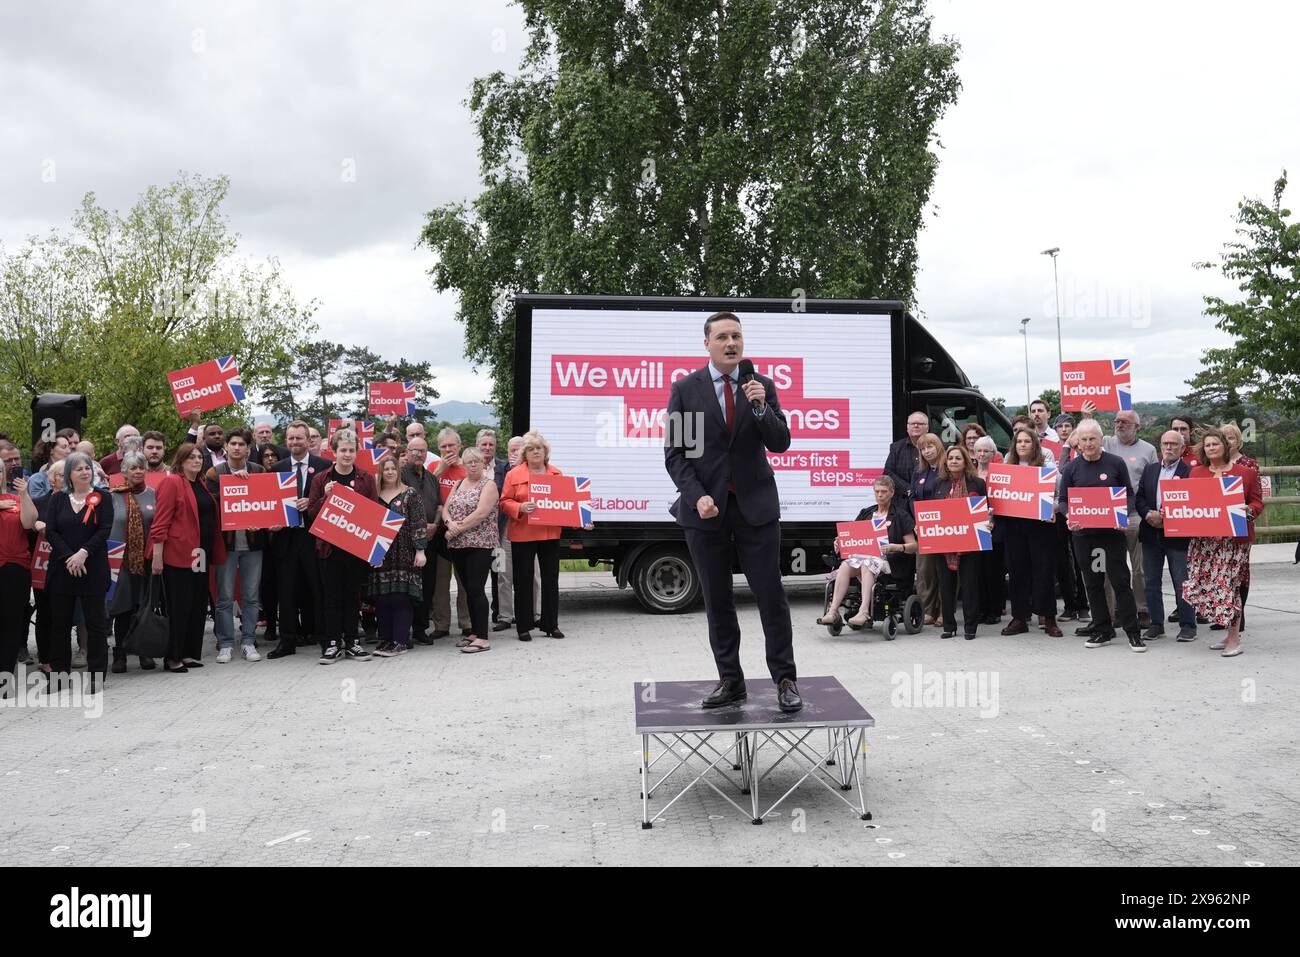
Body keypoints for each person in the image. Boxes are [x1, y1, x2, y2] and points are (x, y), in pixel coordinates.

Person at [663, 312, 800, 712]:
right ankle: (731, 680)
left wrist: (759, 408)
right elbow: (676, 454)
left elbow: (780, 443)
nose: (731, 343)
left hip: (756, 508)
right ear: (706, 343)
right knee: (717, 599)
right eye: (722, 336)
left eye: (737, 336)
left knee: (771, 596)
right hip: (706, 513)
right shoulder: (687, 390)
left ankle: (786, 679)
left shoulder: (762, 387)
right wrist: (696, 495)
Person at [1060, 420, 1144, 652]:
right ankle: (1102, 630)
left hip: (1111, 535)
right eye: (1083, 439)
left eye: (1092, 439)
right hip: (1084, 536)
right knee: (1093, 584)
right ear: (1078, 442)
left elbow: (1128, 494)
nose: (1088, 444)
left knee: (1120, 582)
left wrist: (1122, 513)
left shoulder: (1115, 463)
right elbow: (1063, 500)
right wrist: (1068, 515)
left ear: (1100, 439)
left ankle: (1133, 632)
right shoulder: (1072, 468)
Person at [1183, 428, 1264, 657]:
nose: (1211, 448)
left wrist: (1247, 511)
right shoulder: (1196, 473)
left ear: (1225, 446)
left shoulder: (1245, 473)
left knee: (1231, 586)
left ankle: (1234, 638)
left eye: (1215, 444)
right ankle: (1228, 634)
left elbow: (1258, 503)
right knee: (1211, 588)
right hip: (1205, 542)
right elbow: (1190, 504)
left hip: (1234, 542)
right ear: (1204, 450)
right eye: (1207, 445)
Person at [150, 443, 225, 673]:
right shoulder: (172, 482)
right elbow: (160, 522)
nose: (197, 461)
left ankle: (189, 653)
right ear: (180, 460)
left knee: (197, 604)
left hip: (199, 553)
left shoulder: (200, 483)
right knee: (179, 606)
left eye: (199, 457)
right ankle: (173, 657)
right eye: (191, 457)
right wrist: (157, 557)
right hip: (177, 555)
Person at [44, 453, 114, 691]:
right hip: (62, 568)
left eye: (87, 468)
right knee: (60, 623)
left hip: (92, 567)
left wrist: (83, 553)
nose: (85, 472)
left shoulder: (102, 497)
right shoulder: (57, 500)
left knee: (95, 624)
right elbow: (51, 531)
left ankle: (96, 676)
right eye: (79, 469)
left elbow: (104, 530)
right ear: (69, 476)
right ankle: (59, 676)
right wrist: (69, 557)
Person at [306, 429, 377, 664]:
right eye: (343, 450)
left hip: (356, 548)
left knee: (353, 597)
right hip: (329, 549)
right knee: (332, 598)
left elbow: (374, 513)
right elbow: (311, 514)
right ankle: (332, 643)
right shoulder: (321, 479)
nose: (347, 454)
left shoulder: (366, 478)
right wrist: (325, 497)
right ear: (333, 452)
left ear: (357, 452)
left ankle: (353, 642)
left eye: (351, 450)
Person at [501, 432, 575, 643]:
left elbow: (568, 504)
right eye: (531, 448)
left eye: (539, 448)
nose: (535, 451)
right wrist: (520, 507)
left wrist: (581, 518)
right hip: (523, 534)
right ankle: (524, 627)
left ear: (545, 452)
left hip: (550, 533)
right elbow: (504, 502)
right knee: (523, 581)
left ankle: (551, 624)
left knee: (551, 580)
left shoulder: (557, 474)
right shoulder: (513, 475)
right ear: (525, 453)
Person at [818, 475, 916, 628]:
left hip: (889, 560)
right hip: (864, 557)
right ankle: (833, 611)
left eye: (883, 491)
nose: (880, 495)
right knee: (845, 565)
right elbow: (852, 536)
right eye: (877, 491)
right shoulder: (866, 513)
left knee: (866, 564)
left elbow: (913, 546)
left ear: (892, 492)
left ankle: (864, 611)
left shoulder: (900, 515)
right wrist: (840, 543)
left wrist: (896, 547)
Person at [206, 428, 268, 663]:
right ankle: (226, 643)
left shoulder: (259, 471)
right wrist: (233, 485)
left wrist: (259, 521)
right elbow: (212, 505)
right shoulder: (214, 473)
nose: (237, 448)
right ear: (227, 447)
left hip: (253, 544)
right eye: (233, 443)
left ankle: (249, 641)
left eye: (241, 444)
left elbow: (267, 503)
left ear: (248, 449)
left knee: (251, 596)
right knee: (224, 597)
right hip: (227, 545)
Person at [267, 421, 328, 659]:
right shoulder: (277, 469)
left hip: (314, 537)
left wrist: (311, 503)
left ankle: (325, 639)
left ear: (308, 440)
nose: (295, 442)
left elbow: (332, 500)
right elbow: (268, 504)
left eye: (299, 438)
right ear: (286, 441)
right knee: (287, 593)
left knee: (318, 590)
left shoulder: (323, 466)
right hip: (286, 538)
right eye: (291, 439)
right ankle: (287, 642)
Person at [1093, 408, 1158, 626]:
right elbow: (1086, 437)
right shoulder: (1108, 443)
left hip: (1134, 515)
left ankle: (1142, 609)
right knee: (1110, 567)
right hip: (1107, 515)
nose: (1119, 424)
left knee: (1139, 568)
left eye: (1125, 422)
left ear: (1137, 426)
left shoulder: (1148, 450)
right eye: (1117, 421)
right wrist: (1086, 417)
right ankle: (1112, 612)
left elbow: (1153, 483)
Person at [998, 429, 1062, 636]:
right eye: (1019, 441)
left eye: (1027, 441)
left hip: (1040, 526)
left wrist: (1053, 507)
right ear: (1014, 446)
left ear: (1034, 444)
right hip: (1014, 526)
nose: (1023, 445)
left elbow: (1058, 492)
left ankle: (1049, 617)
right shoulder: (1008, 467)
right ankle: (1019, 618)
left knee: (1044, 571)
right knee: (1017, 572)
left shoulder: (1046, 465)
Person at [1134, 430, 1196, 642]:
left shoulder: (1189, 472)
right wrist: (1147, 513)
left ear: (1182, 448)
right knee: (1151, 581)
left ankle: (1188, 625)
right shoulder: (1150, 470)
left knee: (1181, 582)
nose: (1168, 447)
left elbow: (1192, 501)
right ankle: (1156, 624)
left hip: (1178, 536)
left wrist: (1167, 517)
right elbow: (1139, 497)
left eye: (1173, 444)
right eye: (1165, 443)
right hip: (1151, 533)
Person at [368, 453, 427, 657]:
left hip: (405, 553)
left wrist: (420, 550)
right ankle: (385, 640)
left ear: (398, 471)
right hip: (380, 555)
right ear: (381, 472)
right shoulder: (373, 495)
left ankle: (400, 641)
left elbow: (418, 523)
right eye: (386, 469)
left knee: (401, 597)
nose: (390, 472)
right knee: (383, 598)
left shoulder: (410, 494)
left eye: (393, 468)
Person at [444, 448, 501, 654]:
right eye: (469, 462)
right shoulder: (458, 483)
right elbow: (446, 508)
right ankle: (474, 633)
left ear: (483, 463)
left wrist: (457, 528)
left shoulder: (489, 485)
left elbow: (481, 513)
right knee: (468, 589)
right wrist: (449, 523)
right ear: (464, 465)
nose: (473, 465)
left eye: (476, 461)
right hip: (458, 544)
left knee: (476, 588)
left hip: (480, 544)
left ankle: (483, 638)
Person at [106, 451, 158, 673]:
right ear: (124, 471)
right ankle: (120, 653)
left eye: (141, 467)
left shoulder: (153, 495)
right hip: (120, 562)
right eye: (133, 468)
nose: (137, 471)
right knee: (122, 609)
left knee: (143, 607)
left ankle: (144, 651)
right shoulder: (112, 497)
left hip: (146, 561)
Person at [928, 445, 987, 639]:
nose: (953, 461)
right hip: (944, 542)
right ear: (946, 461)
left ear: (965, 462)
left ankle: (970, 626)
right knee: (946, 585)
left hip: (969, 542)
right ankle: (949, 625)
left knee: (970, 585)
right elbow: (932, 511)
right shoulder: (938, 484)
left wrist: (989, 522)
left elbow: (986, 509)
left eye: (958, 458)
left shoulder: (977, 483)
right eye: (950, 458)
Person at [0, 443, 38, 682]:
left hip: (15, 568)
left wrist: (23, 494)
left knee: (11, 623)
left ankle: (4, 676)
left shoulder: (14, 498)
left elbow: (29, 522)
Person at [1217, 422, 1259, 632]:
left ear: (1238, 440)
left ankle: (1238, 617)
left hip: (1240, 529)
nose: (1227, 441)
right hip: (1215, 533)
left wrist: (1248, 510)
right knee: (1219, 574)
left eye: (1231, 437)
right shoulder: (1213, 464)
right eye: (1223, 438)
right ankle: (1222, 613)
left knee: (1239, 575)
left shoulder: (1249, 465)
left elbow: (1257, 500)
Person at [430, 427, 471, 638]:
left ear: (460, 446)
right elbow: (423, 490)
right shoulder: (432, 468)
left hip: (464, 528)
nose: (448, 450)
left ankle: (466, 622)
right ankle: (441, 625)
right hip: (440, 530)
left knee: (464, 579)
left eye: (451, 445)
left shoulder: (468, 469)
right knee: (440, 580)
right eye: (443, 446)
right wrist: (440, 469)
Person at [401, 436, 441, 644]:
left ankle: (420, 628)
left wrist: (434, 524)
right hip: (406, 541)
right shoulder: (398, 475)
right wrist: (418, 527)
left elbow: (440, 505)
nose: (418, 454)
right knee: (408, 586)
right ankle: (404, 630)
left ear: (427, 453)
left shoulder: (432, 478)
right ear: (407, 451)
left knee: (427, 585)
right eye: (414, 450)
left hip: (430, 539)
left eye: (422, 451)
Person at [477, 428, 511, 630]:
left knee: (499, 571)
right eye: (484, 444)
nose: (488, 447)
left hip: (498, 530)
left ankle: (499, 613)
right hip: (476, 532)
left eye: (491, 444)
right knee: (478, 574)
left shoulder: (503, 468)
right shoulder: (471, 466)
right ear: (477, 445)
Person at [911, 432, 945, 625]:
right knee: (925, 571)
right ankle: (928, 611)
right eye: (923, 449)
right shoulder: (919, 471)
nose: (926, 451)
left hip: (944, 527)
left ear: (938, 446)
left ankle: (943, 611)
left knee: (944, 571)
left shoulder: (947, 468)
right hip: (923, 528)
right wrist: (917, 520)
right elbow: (912, 497)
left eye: (930, 446)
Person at [972, 436, 1007, 624]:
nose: (983, 454)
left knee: (994, 570)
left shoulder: (999, 473)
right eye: (979, 451)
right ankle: (981, 609)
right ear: (974, 453)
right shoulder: (970, 474)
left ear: (994, 454)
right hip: (976, 527)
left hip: (997, 526)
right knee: (978, 570)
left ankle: (995, 610)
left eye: (987, 451)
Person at [884, 412, 929, 503]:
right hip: (902, 501)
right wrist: (908, 489)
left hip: (928, 499)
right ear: (907, 428)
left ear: (927, 428)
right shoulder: (896, 448)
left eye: (920, 424)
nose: (916, 426)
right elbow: (888, 472)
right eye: (912, 423)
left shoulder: (936, 447)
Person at [24, 433, 72, 500]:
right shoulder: (37, 480)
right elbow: (40, 507)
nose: (69, 451)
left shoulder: (73, 475)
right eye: (64, 447)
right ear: (51, 450)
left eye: (69, 447)